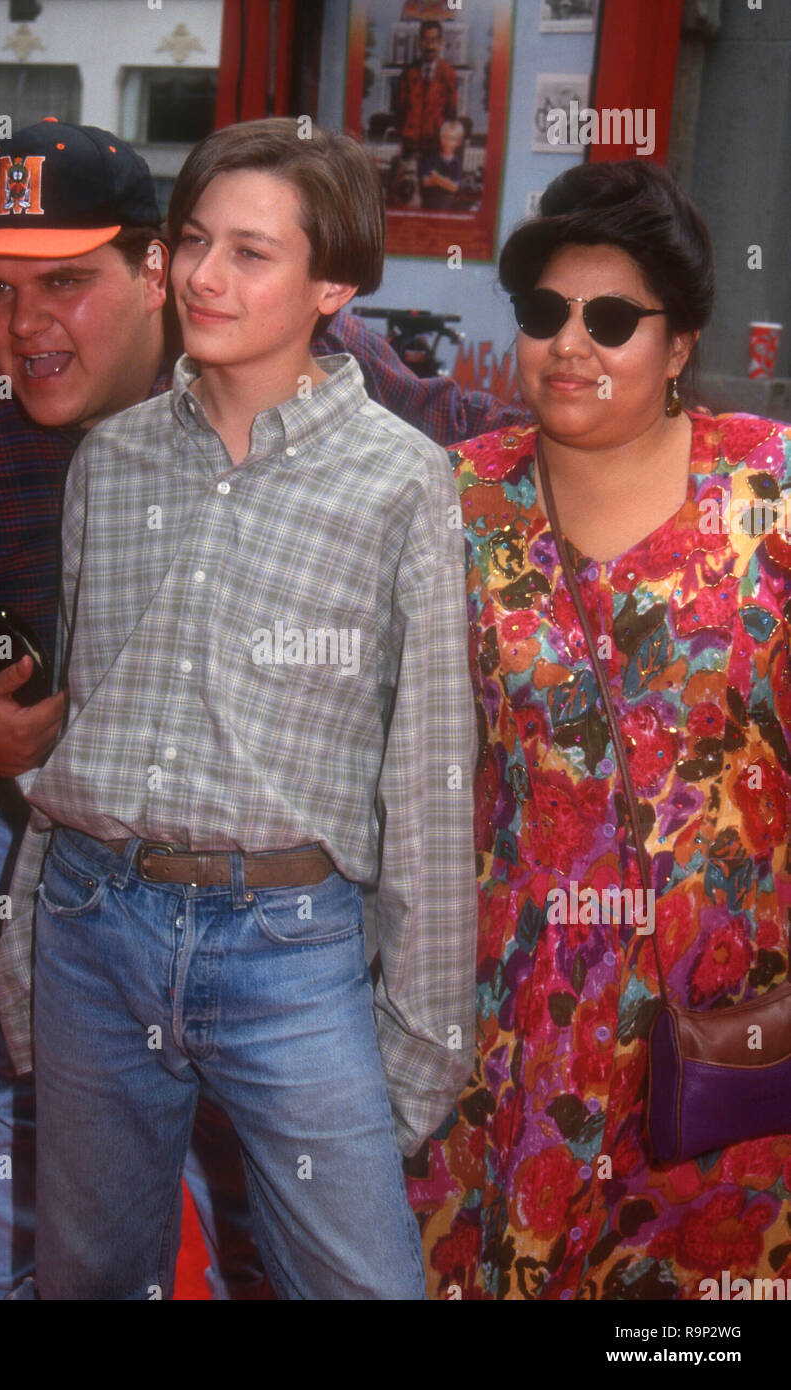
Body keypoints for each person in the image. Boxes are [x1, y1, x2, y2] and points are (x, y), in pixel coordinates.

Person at [0, 117, 520, 1301]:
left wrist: (417, 1033)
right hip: (56, 853)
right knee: (42, 1168)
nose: (25, 325)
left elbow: (432, 752)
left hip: (279, 908)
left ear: (146, 271)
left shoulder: (380, 441)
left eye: (64, 283)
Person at [0, 116, 477, 1300]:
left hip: (290, 949)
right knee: (91, 1278)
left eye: (251, 253)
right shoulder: (109, 462)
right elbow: (84, 721)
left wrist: (423, 1037)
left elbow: (426, 777)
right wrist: (24, 940)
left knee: (362, 1283)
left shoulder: (399, 480)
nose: (203, 276)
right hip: (94, 921)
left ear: (333, 285)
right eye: (194, 239)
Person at [411, 159, 791, 1299]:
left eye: (612, 318)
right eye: (542, 314)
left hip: (724, 1026)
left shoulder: (768, 494)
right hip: (504, 1026)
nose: (569, 343)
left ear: (678, 346)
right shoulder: (454, 502)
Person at [395, 19, 458, 155]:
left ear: (441, 43)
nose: (430, 46)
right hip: (410, 145)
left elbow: (451, 112)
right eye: (425, 40)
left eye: (434, 41)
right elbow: (400, 109)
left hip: (436, 147)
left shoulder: (448, 74)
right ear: (419, 43)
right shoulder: (408, 73)